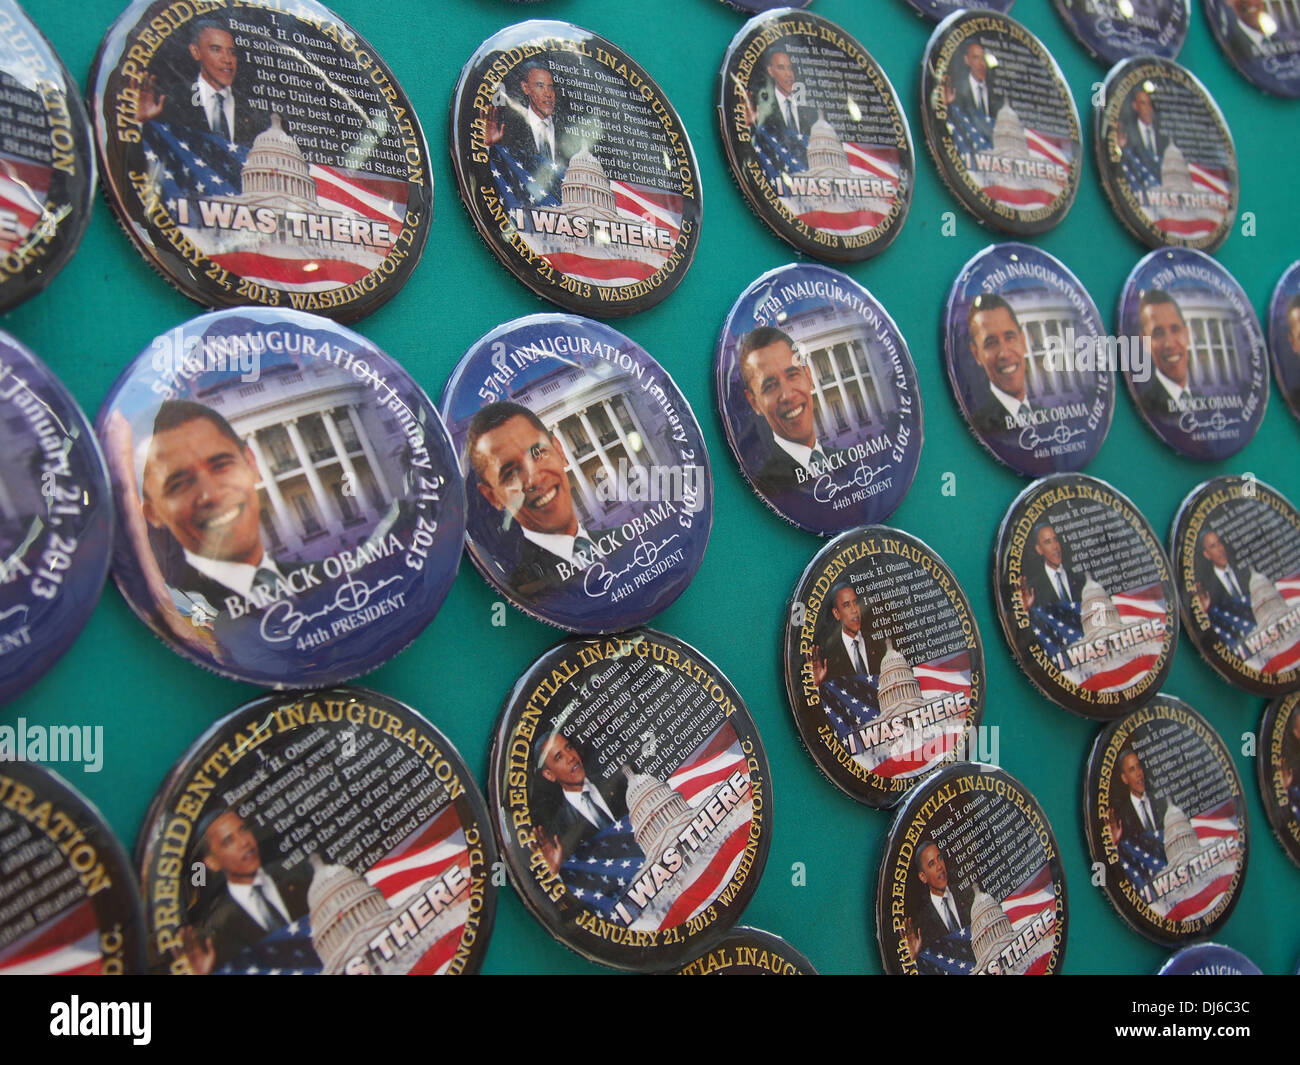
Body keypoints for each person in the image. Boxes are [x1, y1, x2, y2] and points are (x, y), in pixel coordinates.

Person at [139, 399, 310, 624]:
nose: (212, 495)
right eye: (179, 484)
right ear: (152, 513)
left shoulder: (326, 578)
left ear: (251, 465)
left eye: (221, 465)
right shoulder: (179, 613)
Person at [467, 402, 614, 597]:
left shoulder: (625, 538)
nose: (534, 479)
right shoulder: (525, 587)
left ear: (560, 451)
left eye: (538, 453)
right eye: (511, 473)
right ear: (492, 496)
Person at [183, 808, 314, 974]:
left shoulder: (302, 874)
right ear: (213, 863)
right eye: (229, 841)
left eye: (243, 830)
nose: (244, 842)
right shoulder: (217, 933)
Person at [738, 326, 843, 495]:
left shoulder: (849, 460)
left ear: (808, 376)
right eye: (770, 386)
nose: (787, 395)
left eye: (792, 375)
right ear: (754, 402)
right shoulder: (767, 488)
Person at [135, 18, 269, 145]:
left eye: (232, 52)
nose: (227, 59)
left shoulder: (253, 110)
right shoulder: (170, 101)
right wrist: (142, 123)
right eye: (216, 50)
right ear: (196, 51)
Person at [531, 731, 630, 875]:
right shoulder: (560, 833)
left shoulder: (617, 780)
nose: (571, 757)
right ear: (549, 775)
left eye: (569, 747)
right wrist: (555, 872)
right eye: (559, 757)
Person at [486, 60, 570, 201]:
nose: (548, 94)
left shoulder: (569, 131)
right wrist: (488, 147)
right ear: (526, 88)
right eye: (540, 86)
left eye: (550, 87)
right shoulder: (507, 130)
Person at [965, 294, 1034, 434]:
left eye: (1010, 337)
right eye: (991, 343)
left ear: (1023, 340)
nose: (1005, 353)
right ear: (976, 354)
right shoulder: (980, 424)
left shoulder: (1049, 415)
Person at [904, 840, 974, 963]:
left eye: (940, 858)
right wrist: (914, 958)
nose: (940, 866)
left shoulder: (967, 894)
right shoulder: (921, 926)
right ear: (923, 877)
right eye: (931, 864)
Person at [1136, 289, 1195, 416]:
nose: (1170, 344)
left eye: (1175, 329)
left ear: (1187, 334)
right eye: (1158, 333)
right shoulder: (1147, 405)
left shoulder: (1205, 400)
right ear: (1145, 342)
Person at [1108, 749, 1168, 862]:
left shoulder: (1161, 801)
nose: (1138, 773)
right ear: (1124, 778)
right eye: (1132, 769)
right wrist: (1114, 844)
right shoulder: (1121, 818)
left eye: (1139, 767)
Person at [813, 583, 880, 684]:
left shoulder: (879, 644)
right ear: (836, 613)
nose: (854, 610)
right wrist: (818, 685)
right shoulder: (828, 658)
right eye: (847, 605)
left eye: (856, 602)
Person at [1194, 529, 1255, 627]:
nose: (1220, 549)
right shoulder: (1208, 591)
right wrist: (1204, 612)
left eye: (1220, 543)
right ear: (1207, 554)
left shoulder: (1245, 571)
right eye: (1213, 546)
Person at [1021, 522, 1084, 613]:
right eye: (1048, 542)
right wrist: (1026, 610)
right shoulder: (1034, 589)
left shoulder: (1078, 576)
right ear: (1039, 549)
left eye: (1056, 540)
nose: (1055, 547)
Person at [950, 41, 1005, 126]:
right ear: (967, 60)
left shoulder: (996, 94)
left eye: (983, 58)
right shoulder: (956, 91)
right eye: (976, 58)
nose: (981, 64)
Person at [1120, 88, 1170, 179]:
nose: (1148, 108)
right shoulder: (1127, 134)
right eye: (1143, 103)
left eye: (1150, 104)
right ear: (1135, 106)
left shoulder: (1164, 137)